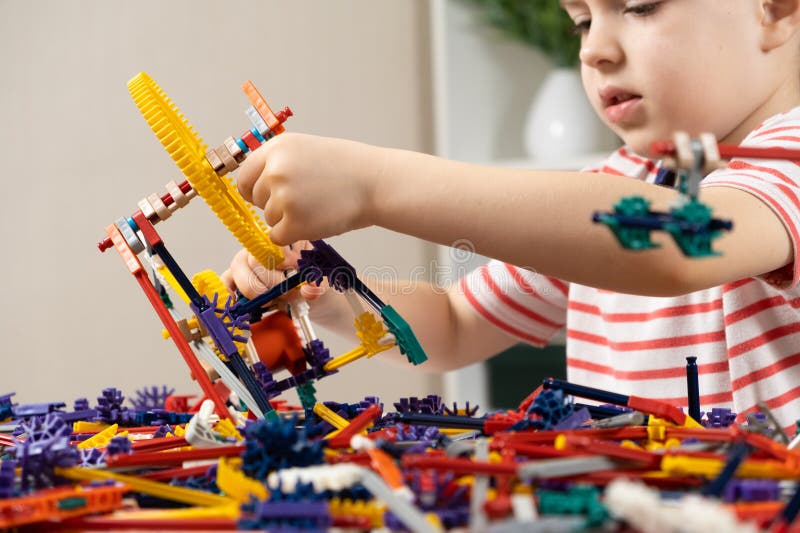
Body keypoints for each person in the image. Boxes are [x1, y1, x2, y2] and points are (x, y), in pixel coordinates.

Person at [222, 0, 800, 431]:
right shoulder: (620, 185)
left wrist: (378, 184)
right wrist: (333, 294)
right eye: (583, 20)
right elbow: (451, 325)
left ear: (773, 9)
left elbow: (678, 245)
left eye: (639, 6)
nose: (594, 49)